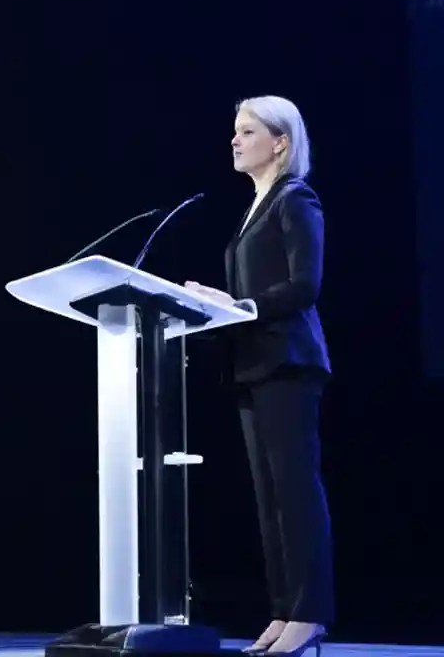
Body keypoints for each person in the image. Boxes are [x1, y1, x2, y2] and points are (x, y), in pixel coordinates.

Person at [185, 95, 333, 656]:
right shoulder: (254, 207)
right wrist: (219, 304)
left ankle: (312, 613)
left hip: (289, 363)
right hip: (252, 366)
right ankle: (283, 610)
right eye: (235, 130)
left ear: (281, 143)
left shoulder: (296, 200)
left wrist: (238, 305)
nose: (235, 139)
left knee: (296, 494)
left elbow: (304, 286)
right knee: (269, 497)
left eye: (248, 131)